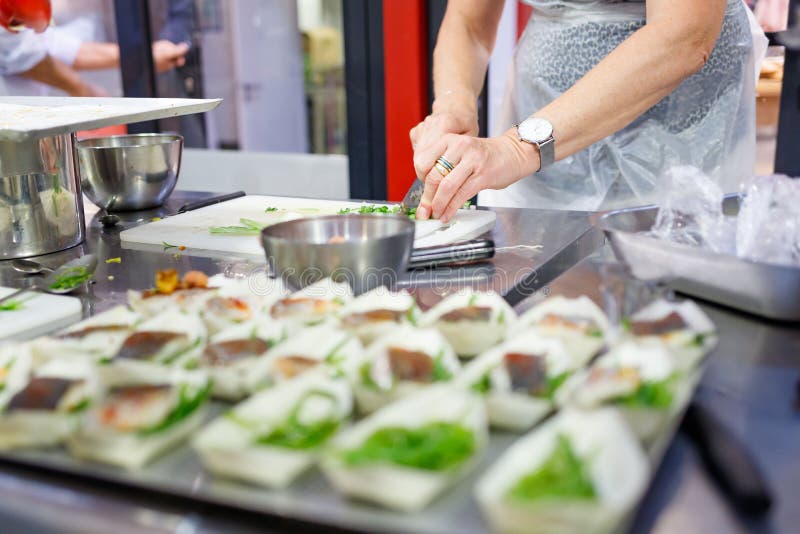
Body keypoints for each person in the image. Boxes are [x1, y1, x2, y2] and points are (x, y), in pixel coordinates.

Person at [410, 0, 764, 222]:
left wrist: (519, 147)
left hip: (681, 132)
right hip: (540, 128)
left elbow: (685, 35)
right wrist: (453, 107)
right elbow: (467, 24)